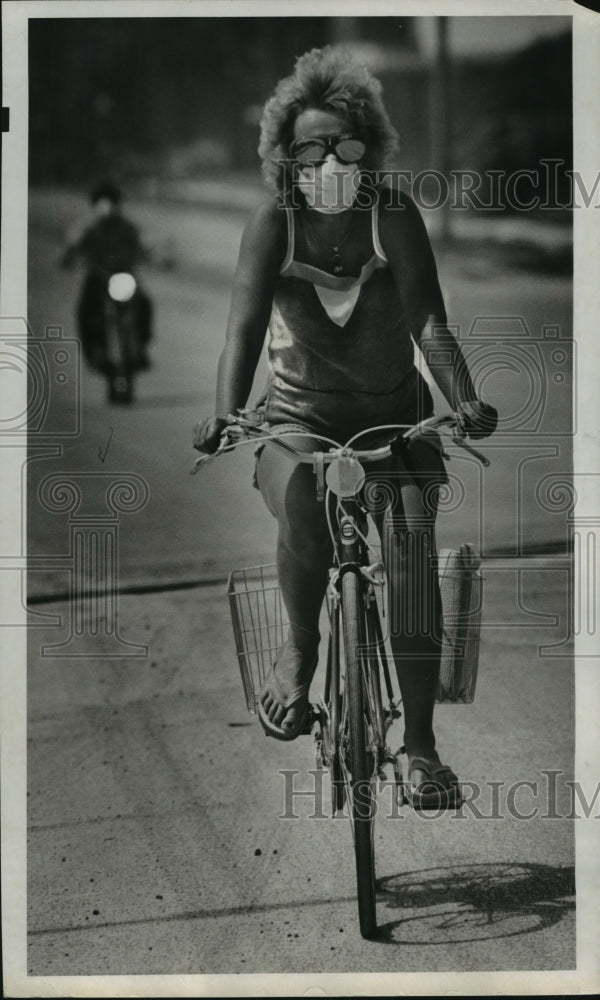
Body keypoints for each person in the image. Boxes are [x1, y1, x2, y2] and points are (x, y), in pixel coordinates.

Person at [193, 47, 497, 808]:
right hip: (297, 418)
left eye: (345, 144)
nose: (329, 159)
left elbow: (429, 316)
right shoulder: (273, 224)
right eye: (310, 146)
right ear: (282, 156)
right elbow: (242, 328)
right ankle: (300, 648)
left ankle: (422, 749)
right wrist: (226, 413)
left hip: (395, 417)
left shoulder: (391, 211)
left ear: (371, 148)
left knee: (413, 545)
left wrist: (461, 397)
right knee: (300, 495)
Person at [61, 181, 153, 374]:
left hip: (124, 278)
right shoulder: (87, 227)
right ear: (95, 205)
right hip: (98, 278)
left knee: (145, 305)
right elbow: (72, 246)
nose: (109, 207)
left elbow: (144, 247)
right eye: (104, 203)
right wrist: (68, 256)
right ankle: (93, 351)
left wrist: (158, 258)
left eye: (112, 202)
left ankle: (141, 349)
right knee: (85, 310)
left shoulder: (128, 228)